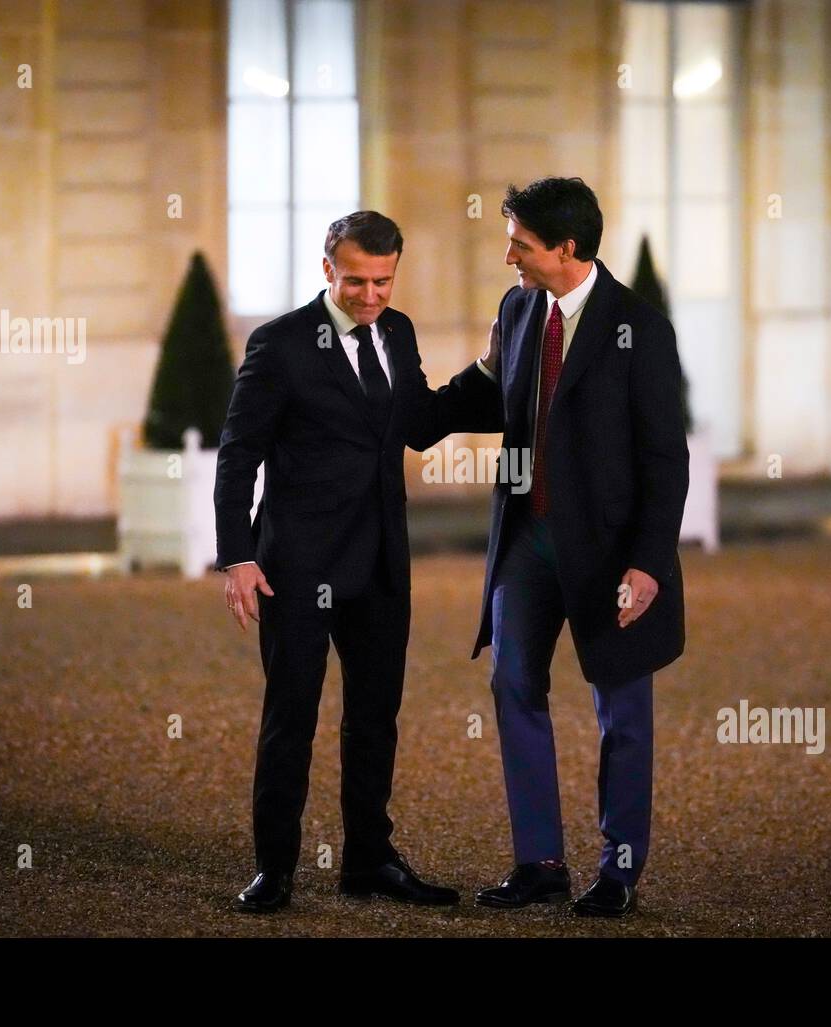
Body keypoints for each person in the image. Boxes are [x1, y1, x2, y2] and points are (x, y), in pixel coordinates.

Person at [214, 211, 492, 913]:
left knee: (375, 718)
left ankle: (368, 858)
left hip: (380, 564)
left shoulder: (396, 332)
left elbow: (420, 424)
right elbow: (238, 453)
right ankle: (274, 867)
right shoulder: (278, 345)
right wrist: (237, 556)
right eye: (357, 280)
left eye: (384, 281)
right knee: (291, 718)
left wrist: (491, 372)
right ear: (327, 269)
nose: (371, 295)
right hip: (297, 564)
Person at [446, 177, 689, 916]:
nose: (508, 254)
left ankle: (618, 871)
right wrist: (396, 411)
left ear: (566, 248)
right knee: (513, 683)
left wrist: (648, 562)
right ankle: (540, 861)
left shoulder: (638, 327)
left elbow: (664, 457)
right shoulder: (518, 309)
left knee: (621, 710)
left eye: (519, 242)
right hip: (526, 538)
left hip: (612, 554)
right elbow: (495, 399)